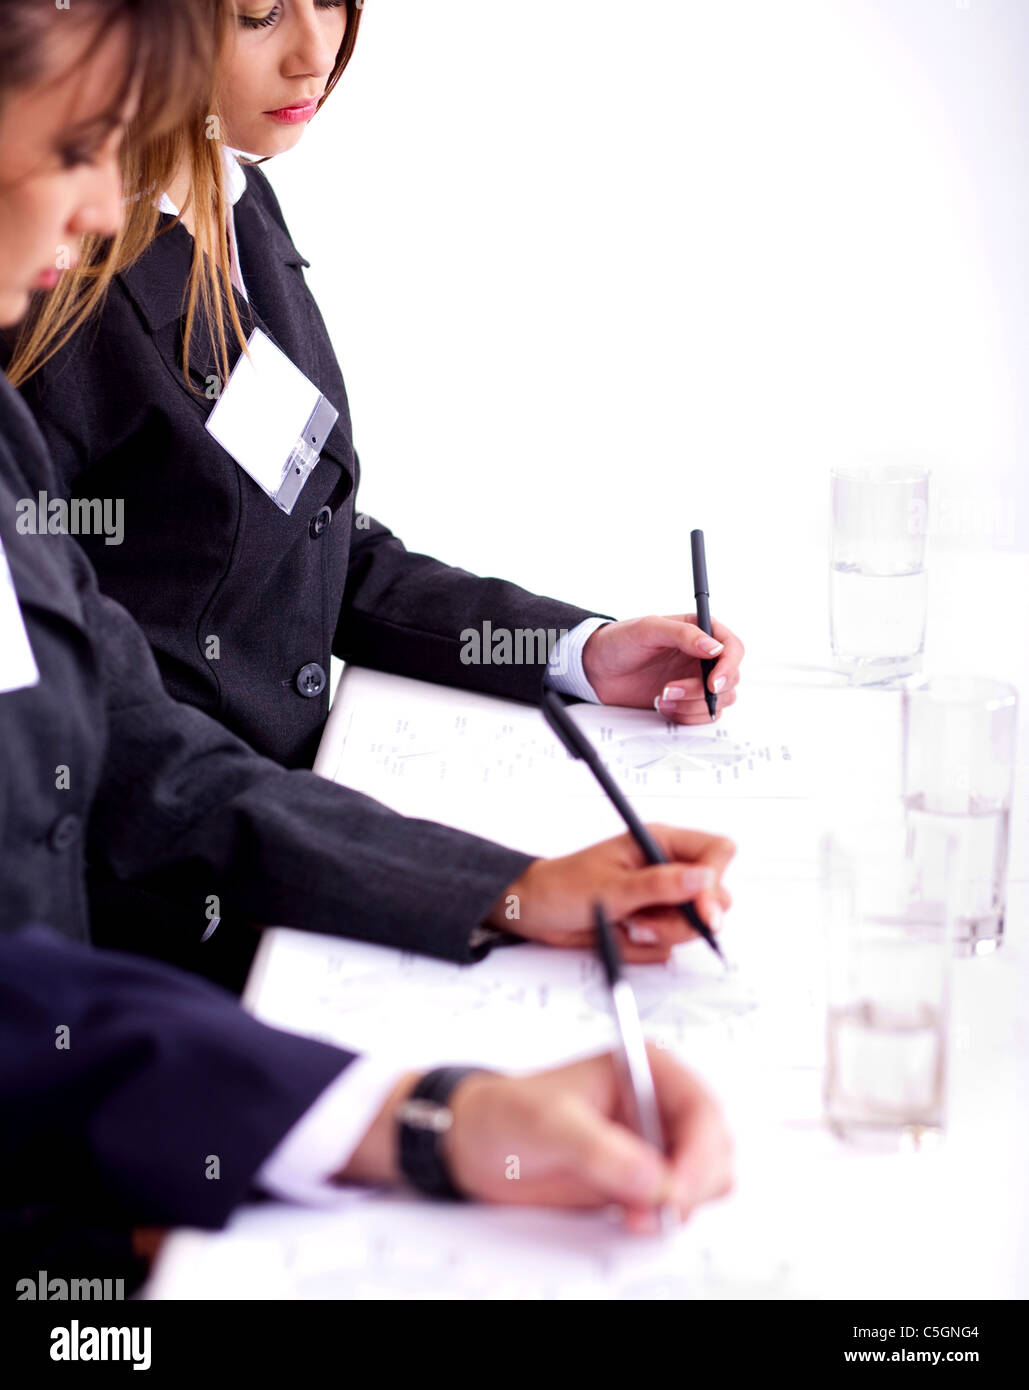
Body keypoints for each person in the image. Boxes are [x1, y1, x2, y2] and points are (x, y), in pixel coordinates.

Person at [0, 1, 732, 1286]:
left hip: (110, 1101)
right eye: (75, 147)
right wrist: (419, 1116)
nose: (105, 205)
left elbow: (252, 609)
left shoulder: (220, 220)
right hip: (143, 1011)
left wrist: (556, 703)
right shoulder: (60, 340)